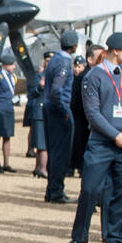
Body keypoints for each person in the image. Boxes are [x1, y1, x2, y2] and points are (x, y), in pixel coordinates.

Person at [60, 32, 122, 243]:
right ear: (116, 51)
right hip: (101, 143)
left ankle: (114, 240)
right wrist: (116, 135)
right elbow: (92, 113)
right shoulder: (94, 76)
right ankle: (79, 236)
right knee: (89, 189)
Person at [42, 29, 78, 203]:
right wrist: (64, 110)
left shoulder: (54, 59)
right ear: (74, 46)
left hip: (50, 107)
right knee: (60, 153)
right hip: (58, 109)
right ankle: (56, 190)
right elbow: (57, 90)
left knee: (53, 150)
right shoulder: (64, 62)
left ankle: (52, 189)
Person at [24, 53, 50, 177]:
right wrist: (40, 87)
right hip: (40, 112)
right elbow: (31, 94)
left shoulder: (56, 76)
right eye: (48, 61)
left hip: (48, 112)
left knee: (43, 143)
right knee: (42, 144)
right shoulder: (39, 77)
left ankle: (39, 168)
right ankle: (42, 169)